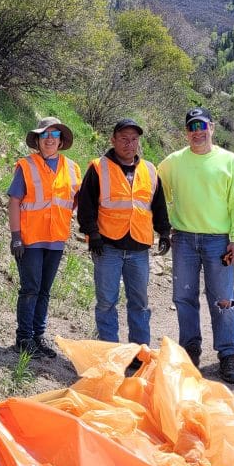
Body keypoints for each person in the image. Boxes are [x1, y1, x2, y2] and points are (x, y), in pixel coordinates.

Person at [158, 107, 234, 383]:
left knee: (223, 300)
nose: (197, 132)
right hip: (183, 238)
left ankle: (227, 355)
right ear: (186, 132)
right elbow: (155, 189)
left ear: (212, 128)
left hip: (218, 241)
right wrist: (163, 226)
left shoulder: (229, 161)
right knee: (184, 298)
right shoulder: (172, 162)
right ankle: (190, 351)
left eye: (202, 126)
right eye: (192, 127)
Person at [77, 118, 169, 354]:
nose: (130, 144)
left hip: (139, 247)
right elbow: (86, 204)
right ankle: (111, 354)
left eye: (134, 139)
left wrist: (164, 231)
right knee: (107, 302)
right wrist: (92, 233)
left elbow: (157, 205)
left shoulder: (150, 170)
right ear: (113, 140)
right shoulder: (98, 167)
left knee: (139, 304)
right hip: (107, 247)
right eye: (124, 139)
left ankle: (140, 354)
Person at [8, 117, 82, 359]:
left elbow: (78, 200)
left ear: (61, 141)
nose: (49, 139)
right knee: (31, 288)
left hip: (56, 239)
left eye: (55, 135)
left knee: (45, 290)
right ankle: (24, 338)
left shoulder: (72, 168)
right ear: (37, 141)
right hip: (30, 239)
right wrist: (16, 236)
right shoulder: (26, 166)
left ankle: (38, 337)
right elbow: (14, 201)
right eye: (44, 135)